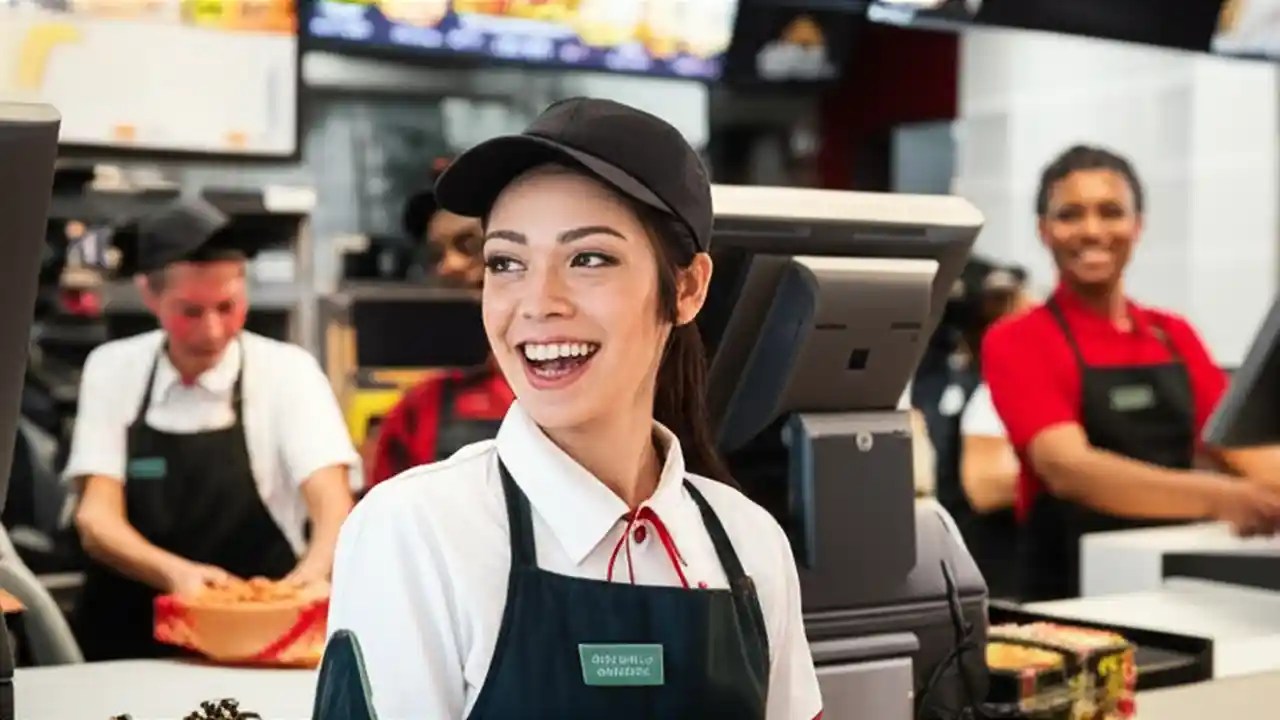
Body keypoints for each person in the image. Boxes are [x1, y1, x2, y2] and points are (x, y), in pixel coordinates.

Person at [325, 98, 823, 720]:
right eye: (506, 263)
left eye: (588, 258)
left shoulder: (748, 543)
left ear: (689, 287)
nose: (537, 303)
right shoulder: (415, 531)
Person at [982, 145, 1280, 601]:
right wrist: (1223, 498)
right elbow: (1069, 468)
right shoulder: (1017, 339)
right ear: (1044, 230)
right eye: (1070, 214)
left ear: (1138, 226)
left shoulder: (1173, 334)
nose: (1092, 230)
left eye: (1111, 211)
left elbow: (1244, 453)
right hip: (1067, 596)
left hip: (1179, 584)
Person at [66, 198, 359, 660]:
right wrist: (175, 575)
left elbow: (332, 501)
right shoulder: (113, 368)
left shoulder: (287, 371)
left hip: (261, 642)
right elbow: (96, 520)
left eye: (229, 306)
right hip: (128, 641)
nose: (213, 331)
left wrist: (313, 573)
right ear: (150, 295)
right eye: (190, 311)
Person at [366, 164, 514, 489]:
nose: (448, 266)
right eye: (436, 254)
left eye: (468, 245)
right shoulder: (419, 409)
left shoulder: (597, 383)